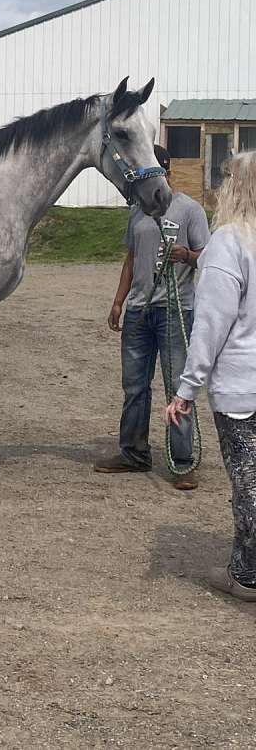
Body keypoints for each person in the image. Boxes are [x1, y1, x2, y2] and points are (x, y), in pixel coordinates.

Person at [166, 152, 256, 601]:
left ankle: (247, 574)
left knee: (248, 482)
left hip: (243, 389)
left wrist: (186, 389)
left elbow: (211, 325)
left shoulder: (229, 243)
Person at [95, 145, 210, 488]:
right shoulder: (137, 212)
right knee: (134, 386)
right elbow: (131, 260)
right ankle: (133, 453)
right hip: (138, 313)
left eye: (153, 175)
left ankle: (183, 461)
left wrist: (186, 254)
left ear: (166, 173)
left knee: (177, 387)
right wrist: (119, 301)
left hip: (176, 312)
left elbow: (206, 258)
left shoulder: (190, 210)